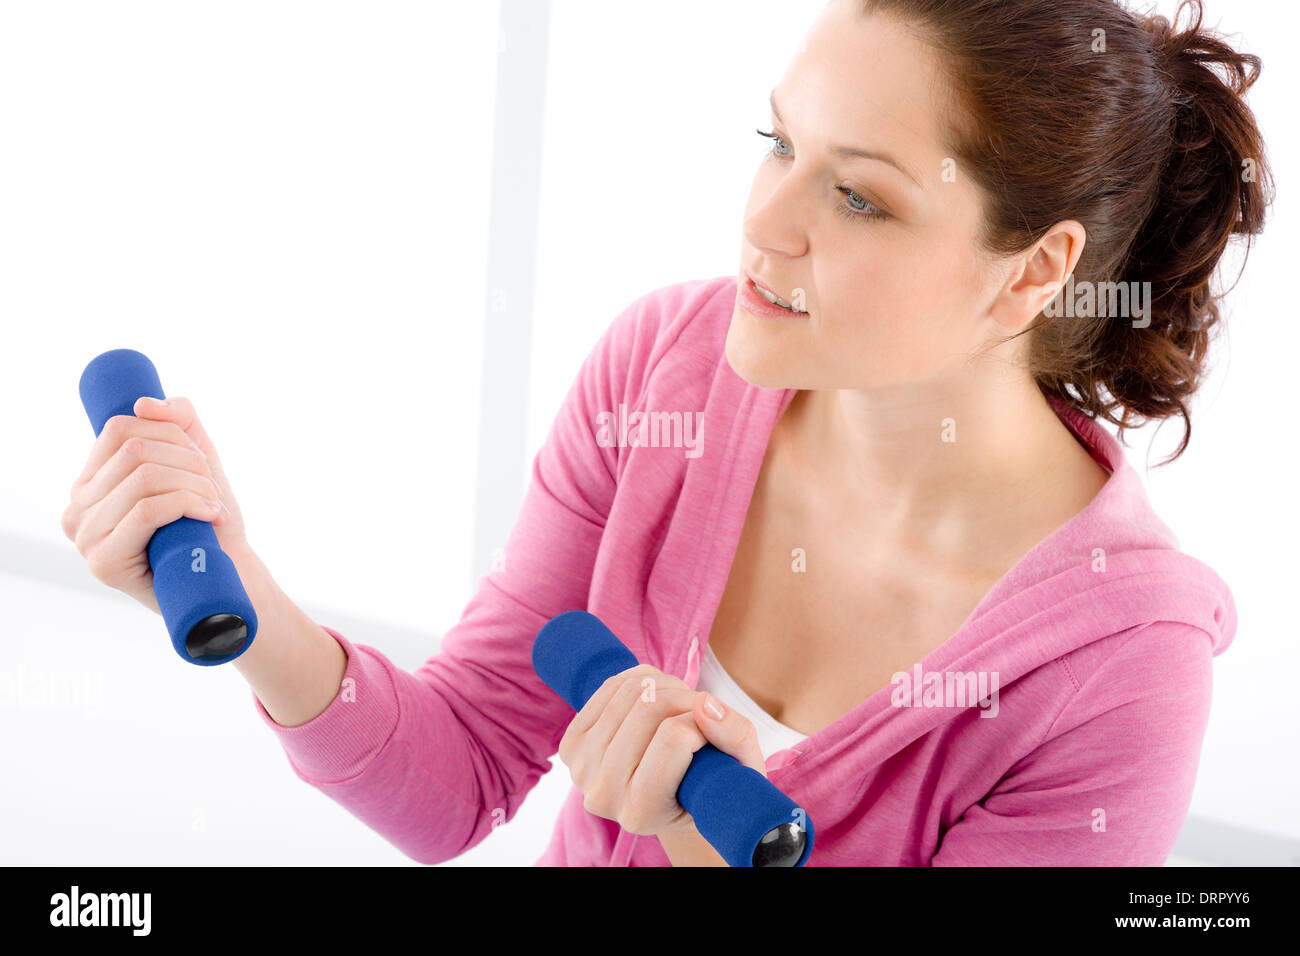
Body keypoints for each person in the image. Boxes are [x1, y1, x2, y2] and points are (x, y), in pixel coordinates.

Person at [63, 0, 1271, 865]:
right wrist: (246, 592)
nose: (763, 222)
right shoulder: (664, 375)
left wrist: (693, 837)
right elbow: (458, 774)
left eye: (857, 195)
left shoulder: (1121, 670)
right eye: (776, 144)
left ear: (1032, 274)